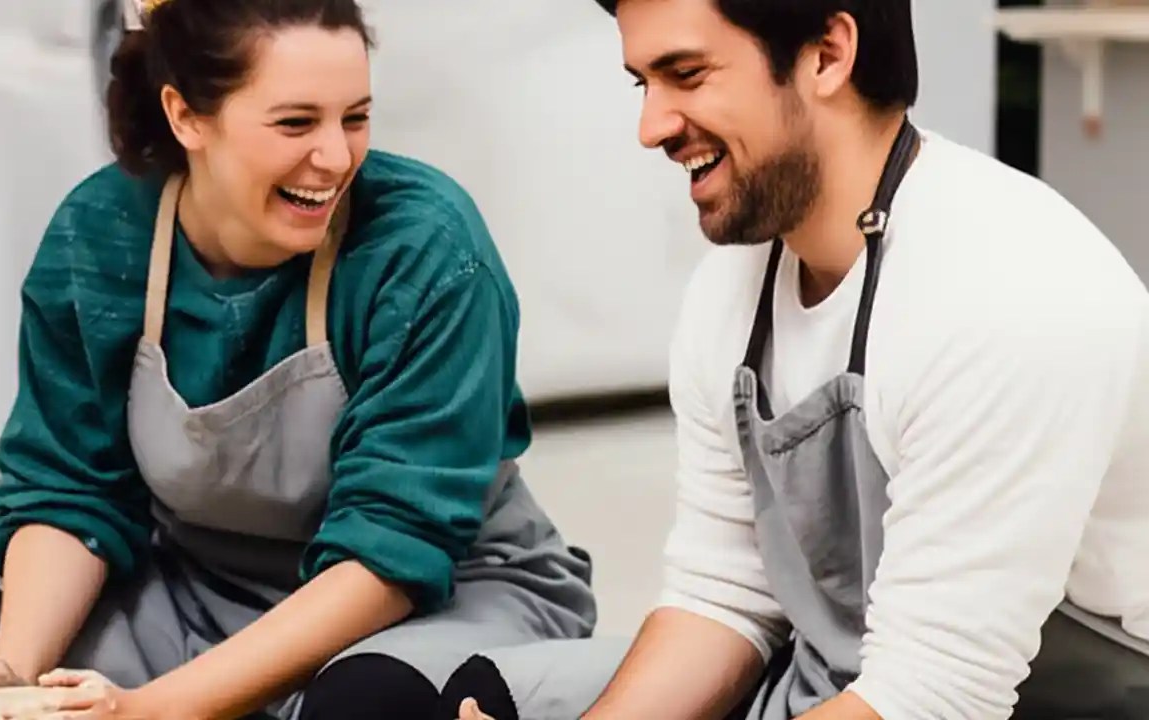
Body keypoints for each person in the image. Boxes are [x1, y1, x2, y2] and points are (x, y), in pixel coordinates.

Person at [0, 0, 597, 718]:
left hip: (436, 602)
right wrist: (8, 678)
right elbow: (72, 491)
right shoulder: (102, 232)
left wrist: (153, 710)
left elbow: (394, 550)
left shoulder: (424, 248)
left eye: (356, 117)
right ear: (186, 116)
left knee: (363, 704)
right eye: (295, 122)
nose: (336, 157)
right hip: (199, 594)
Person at [450, 0, 1149, 718]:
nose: (650, 127)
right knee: (464, 693)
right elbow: (724, 593)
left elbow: (935, 696)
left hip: (1068, 695)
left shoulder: (1012, 292)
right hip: (850, 679)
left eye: (686, 74)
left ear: (827, 55)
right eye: (643, 85)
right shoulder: (731, 291)